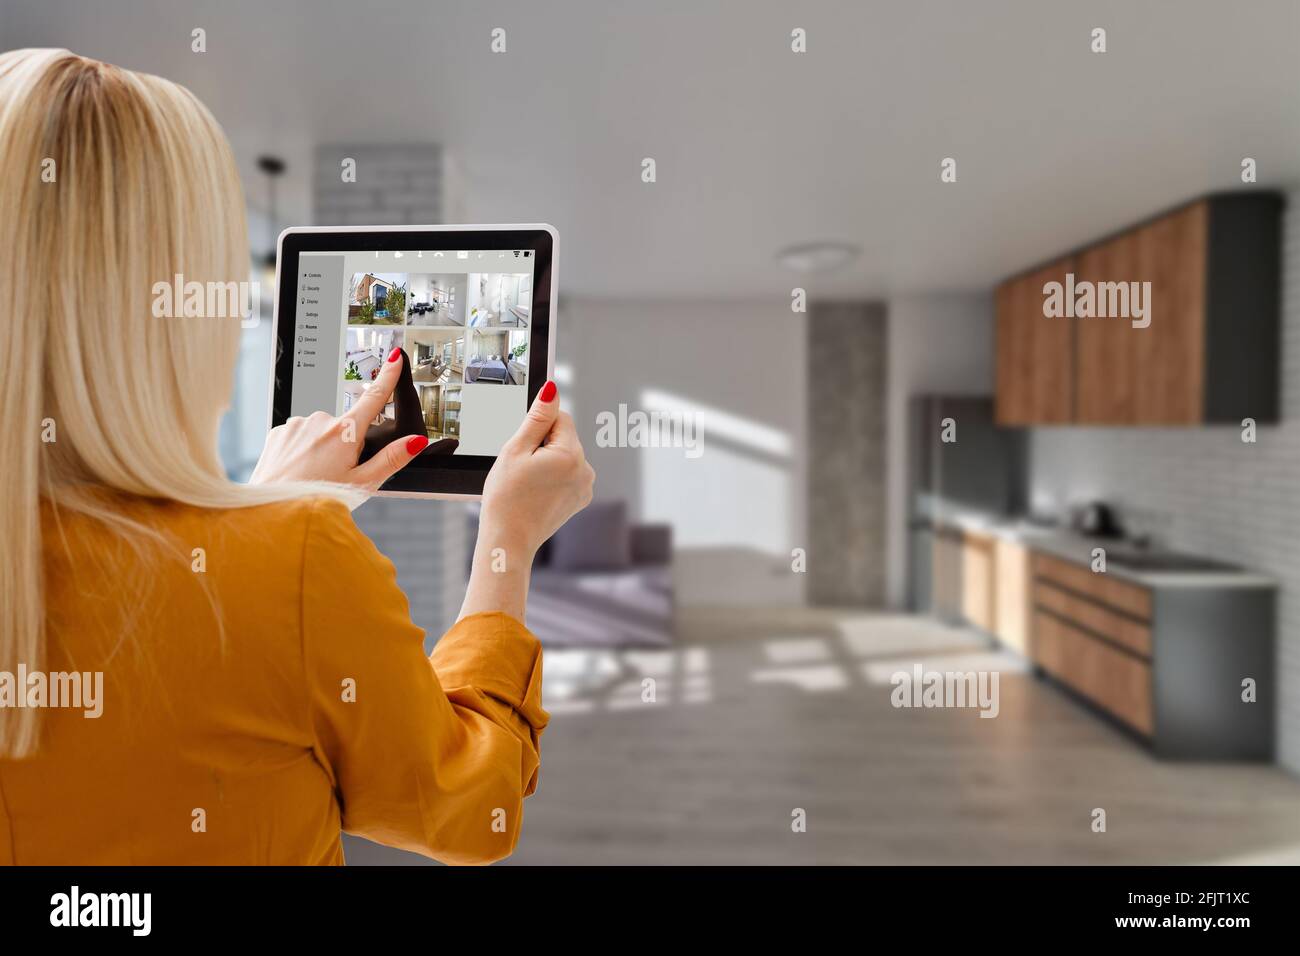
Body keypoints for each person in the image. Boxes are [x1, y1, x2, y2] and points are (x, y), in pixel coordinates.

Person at [0, 48, 594, 865]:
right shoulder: (295, 563)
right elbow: (470, 812)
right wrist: (509, 539)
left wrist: (257, 520)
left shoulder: (282, 550)